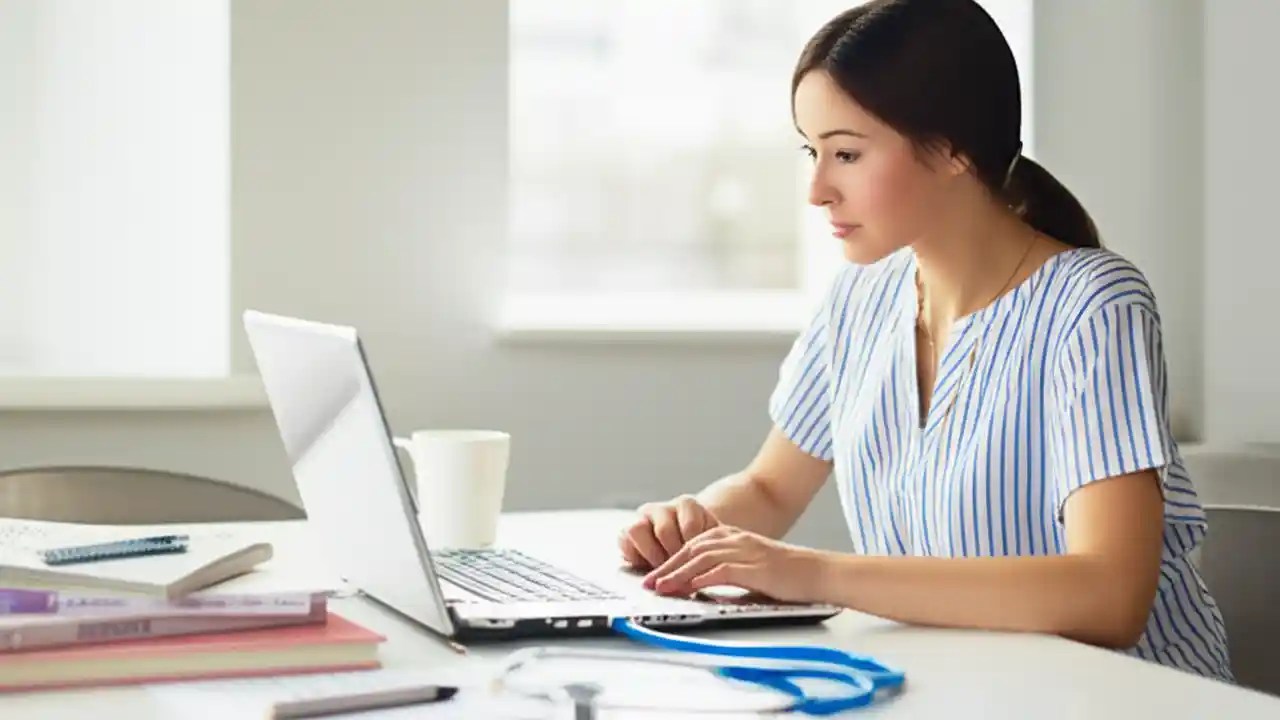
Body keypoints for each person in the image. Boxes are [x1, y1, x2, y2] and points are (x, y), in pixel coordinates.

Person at [619, 0, 1232, 682]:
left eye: (846, 153)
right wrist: (690, 531)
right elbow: (768, 490)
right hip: (961, 689)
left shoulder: (1093, 305)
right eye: (811, 151)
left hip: (1131, 701)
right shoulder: (861, 298)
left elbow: (1108, 594)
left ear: (951, 150)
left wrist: (818, 574)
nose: (817, 190)